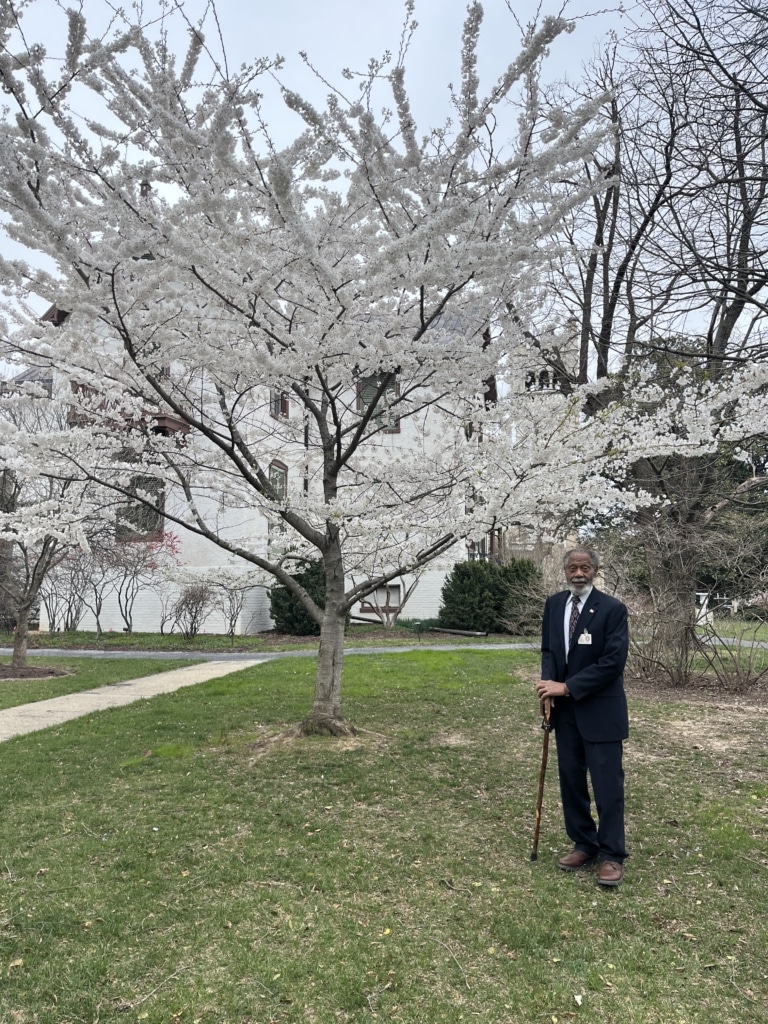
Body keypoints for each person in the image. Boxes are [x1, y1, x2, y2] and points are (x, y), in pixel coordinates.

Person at [535, 546, 629, 886]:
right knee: (572, 782)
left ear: (595, 570)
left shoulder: (612, 610)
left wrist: (567, 686)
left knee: (607, 787)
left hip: (601, 710)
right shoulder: (554, 604)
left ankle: (612, 855)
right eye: (573, 567)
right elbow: (549, 650)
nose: (579, 573)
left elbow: (613, 663)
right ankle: (584, 843)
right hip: (565, 714)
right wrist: (548, 687)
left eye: (585, 567)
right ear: (565, 571)